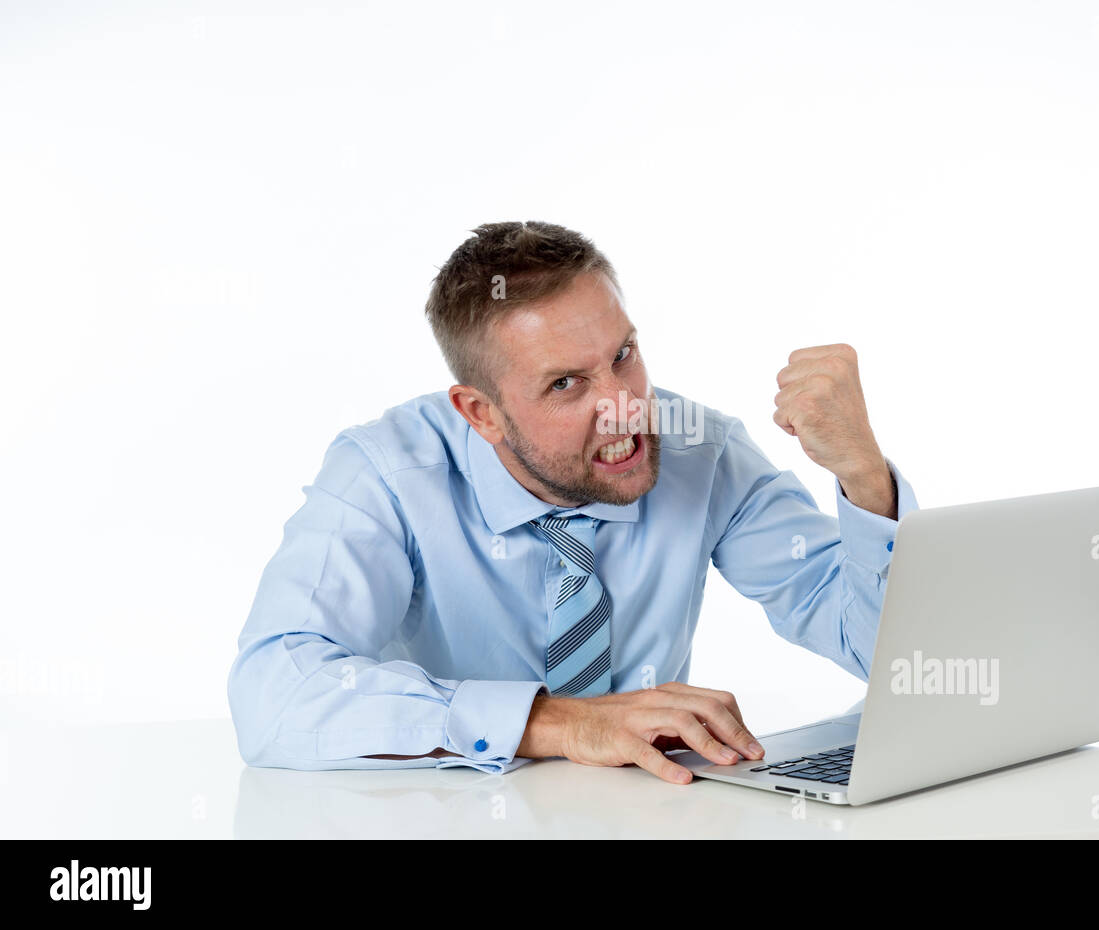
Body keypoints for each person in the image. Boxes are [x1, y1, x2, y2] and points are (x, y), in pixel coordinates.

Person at [227, 220, 918, 785]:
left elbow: (887, 654)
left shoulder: (701, 453)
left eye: (624, 355)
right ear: (482, 413)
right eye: (566, 384)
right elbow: (272, 694)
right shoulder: (387, 475)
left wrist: (862, 476)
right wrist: (560, 725)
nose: (624, 408)